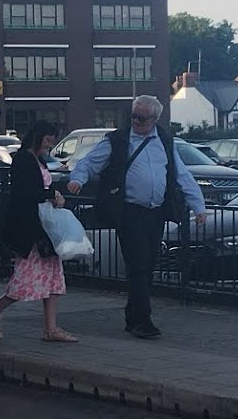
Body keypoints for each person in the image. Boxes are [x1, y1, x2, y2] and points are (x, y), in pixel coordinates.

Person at [66, 95, 208, 339]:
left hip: (155, 212)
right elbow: (89, 162)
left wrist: (198, 205)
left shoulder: (164, 140)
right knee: (139, 263)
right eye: (134, 116)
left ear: (154, 119)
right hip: (129, 211)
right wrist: (77, 180)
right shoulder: (118, 140)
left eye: (142, 118)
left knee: (147, 264)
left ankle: (133, 316)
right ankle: (143, 320)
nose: (137, 122)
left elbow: (181, 174)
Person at [0, 120, 78, 343]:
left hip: (42, 227)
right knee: (26, 276)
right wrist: (50, 196)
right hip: (31, 227)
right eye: (48, 139)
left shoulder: (37, 159)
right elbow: (26, 192)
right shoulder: (24, 159)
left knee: (53, 275)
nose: (50, 144)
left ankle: (50, 328)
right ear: (38, 136)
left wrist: (51, 194)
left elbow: (39, 188)